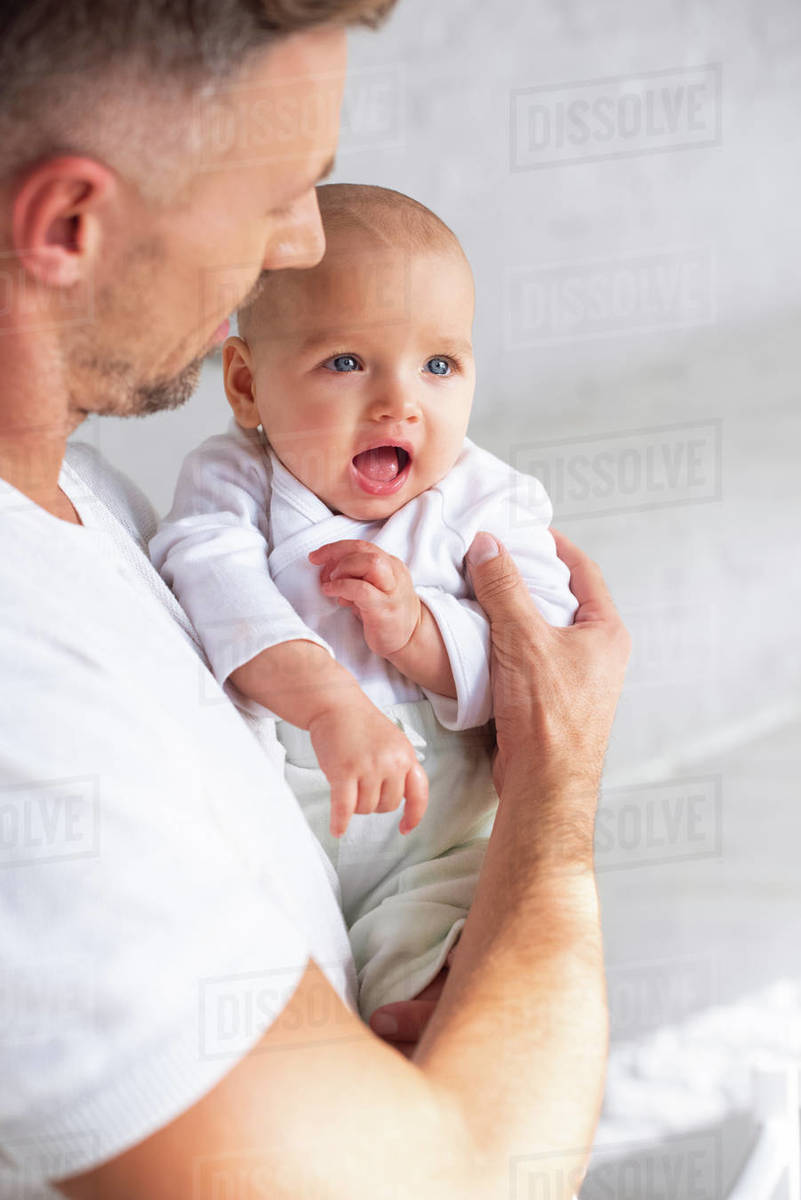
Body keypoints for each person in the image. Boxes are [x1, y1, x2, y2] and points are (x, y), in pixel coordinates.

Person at [0, 3, 630, 1199]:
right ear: (71, 223)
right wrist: (559, 794)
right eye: (282, 192)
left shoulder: (83, 496)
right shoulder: (28, 703)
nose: (299, 245)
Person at [150, 182, 578, 1021]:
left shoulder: (488, 500)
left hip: (439, 838)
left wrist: (420, 633)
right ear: (245, 385)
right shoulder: (236, 479)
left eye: (439, 364)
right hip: (283, 822)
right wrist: (329, 705)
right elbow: (208, 577)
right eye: (346, 362)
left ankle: (416, 1013)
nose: (399, 402)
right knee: (248, 969)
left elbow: (544, 656)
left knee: (461, 941)